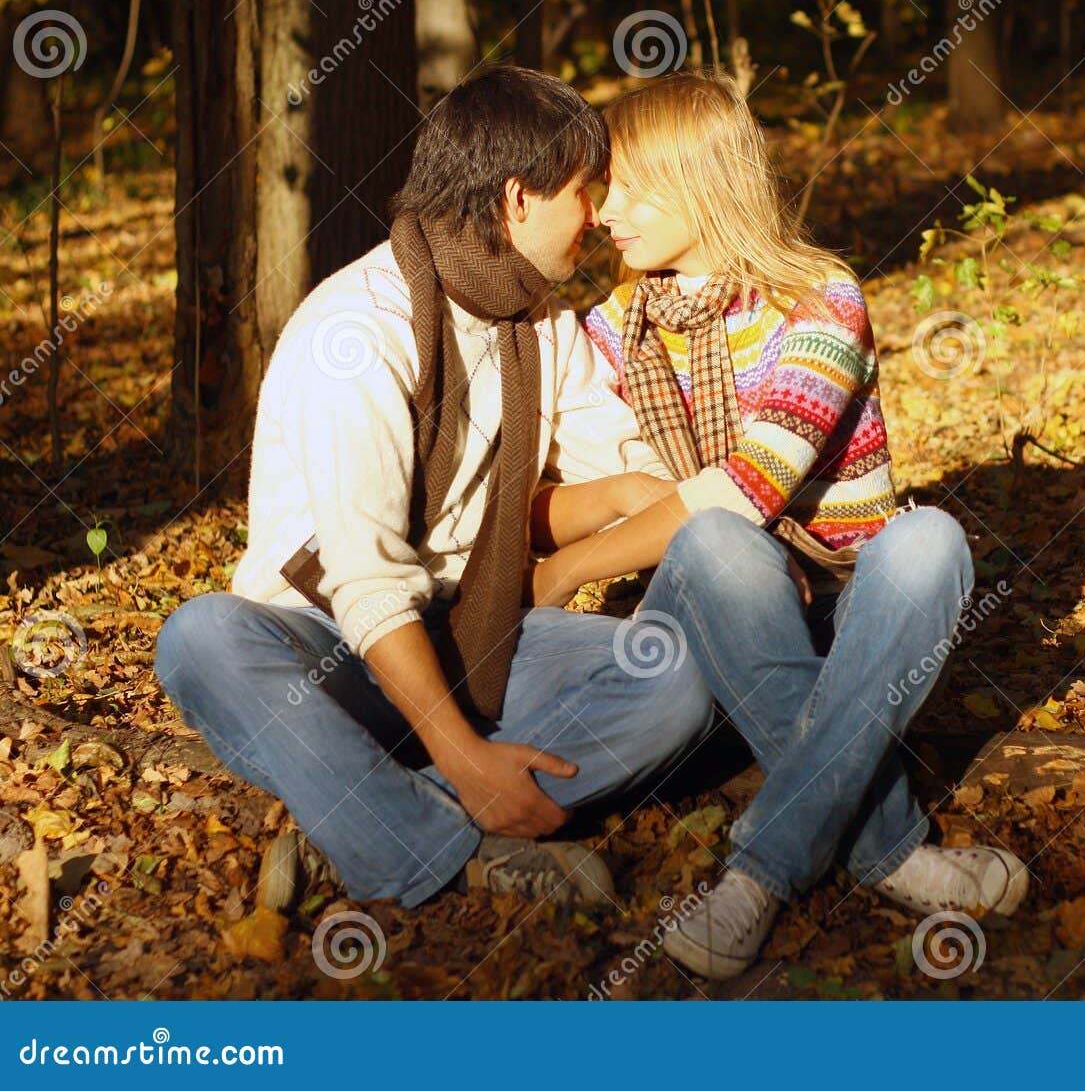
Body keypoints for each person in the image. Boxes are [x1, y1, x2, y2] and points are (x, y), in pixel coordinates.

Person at [154, 66, 713, 911]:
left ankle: (368, 812)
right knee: (200, 639)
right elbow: (366, 580)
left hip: (477, 630)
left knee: (682, 674)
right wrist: (462, 750)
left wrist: (703, 495)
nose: (596, 216)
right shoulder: (356, 333)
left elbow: (637, 468)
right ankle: (437, 833)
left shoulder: (544, 328)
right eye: (581, 192)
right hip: (327, 644)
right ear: (518, 200)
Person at [527, 70, 1027, 979]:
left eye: (633, 187)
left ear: (704, 185)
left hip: (839, 606)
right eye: (608, 188)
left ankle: (760, 872)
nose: (606, 212)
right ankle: (891, 850)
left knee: (931, 542)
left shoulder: (820, 299)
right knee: (719, 545)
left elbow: (752, 481)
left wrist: (564, 573)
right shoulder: (605, 331)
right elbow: (640, 501)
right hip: (705, 614)